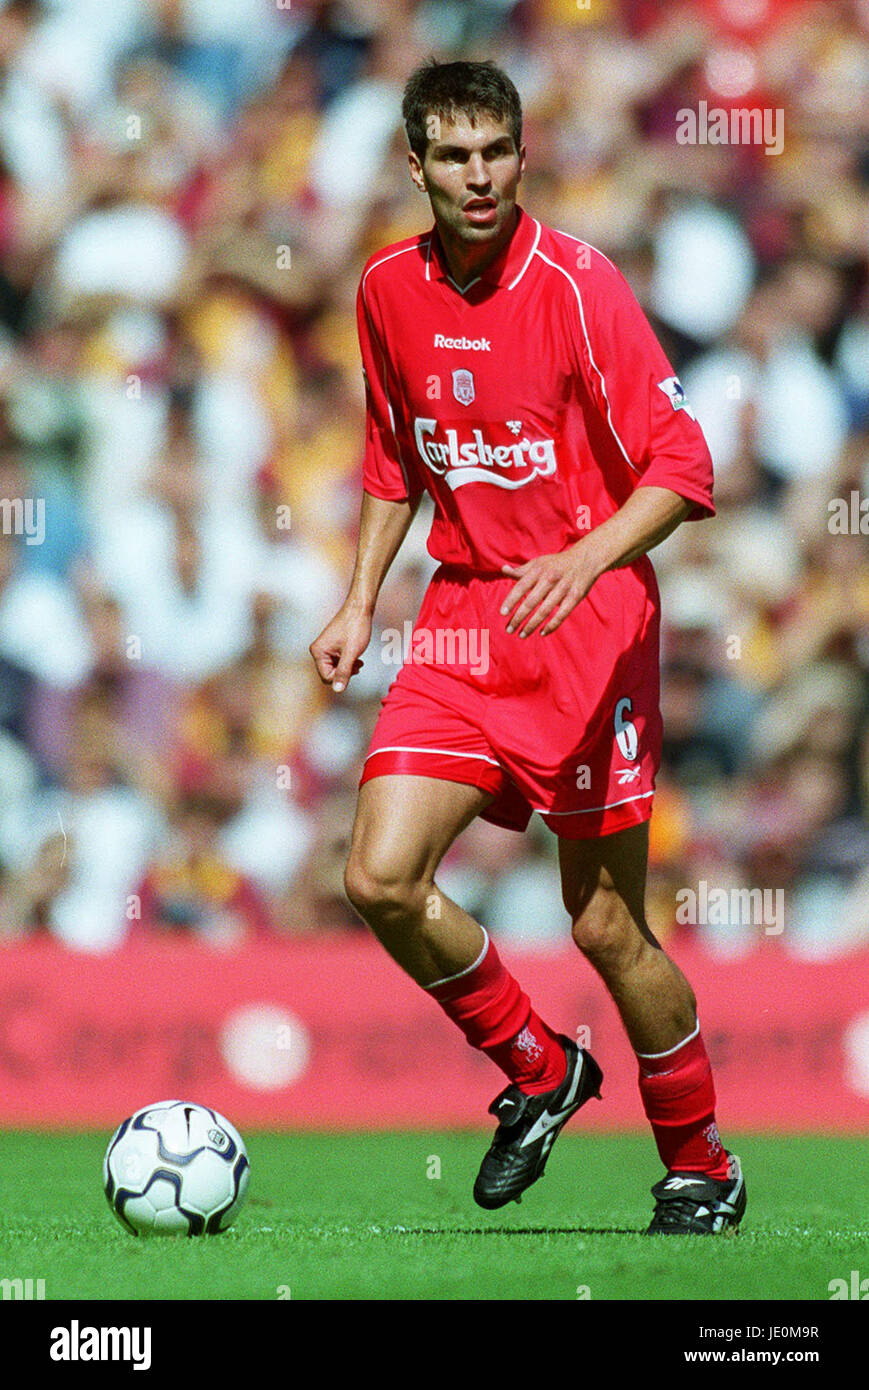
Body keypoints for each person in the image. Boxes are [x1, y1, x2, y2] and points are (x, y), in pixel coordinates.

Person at [310, 58, 746, 1235]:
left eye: (494, 150)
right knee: (377, 875)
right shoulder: (385, 288)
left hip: (588, 624)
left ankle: (699, 1161)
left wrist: (587, 555)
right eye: (452, 156)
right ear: (415, 167)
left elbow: (683, 465)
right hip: (459, 615)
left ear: (520, 151)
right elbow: (395, 459)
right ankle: (539, 1066)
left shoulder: (578, 283)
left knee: (602, 922)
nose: (478, 175)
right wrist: (357, 601)